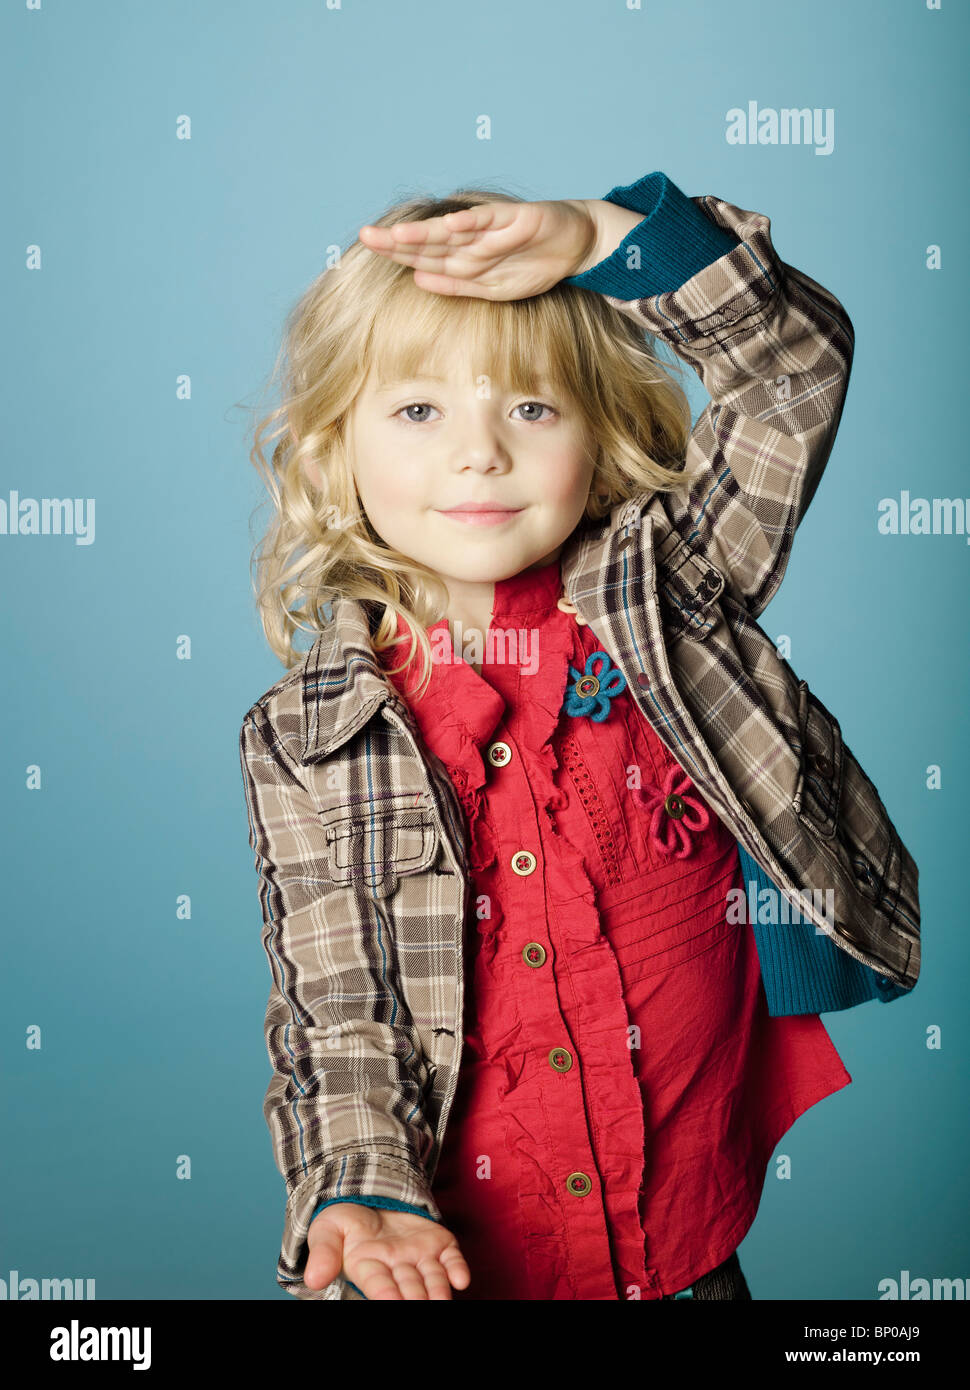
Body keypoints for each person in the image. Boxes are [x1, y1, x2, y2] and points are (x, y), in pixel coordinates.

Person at [238, 170, 920, 1301]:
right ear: (330, 449)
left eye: (531, 407)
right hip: (462, 1265)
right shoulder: (310, 738)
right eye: (417, 410)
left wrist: (600, 238)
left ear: (599, 436)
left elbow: (789, 370)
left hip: (686, 1246)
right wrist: (361, 1187)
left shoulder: (669, 594)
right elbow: (337, 1009)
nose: (478, 454)